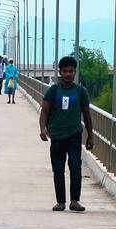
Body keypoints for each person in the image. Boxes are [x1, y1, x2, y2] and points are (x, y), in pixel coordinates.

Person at [39, 55, 93, 211]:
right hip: (56, 136)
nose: (68, 74)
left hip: (74, 135)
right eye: (65, 71)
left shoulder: (80, 91)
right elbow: (44, 111)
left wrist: (91, 135)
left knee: (76, 167)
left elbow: (87, 114)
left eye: (71, 71)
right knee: (58, 169)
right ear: (60, 73)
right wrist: (43, 128)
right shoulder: (53, 91)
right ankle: (60, 201)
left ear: (75, 72)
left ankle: (75, 200)